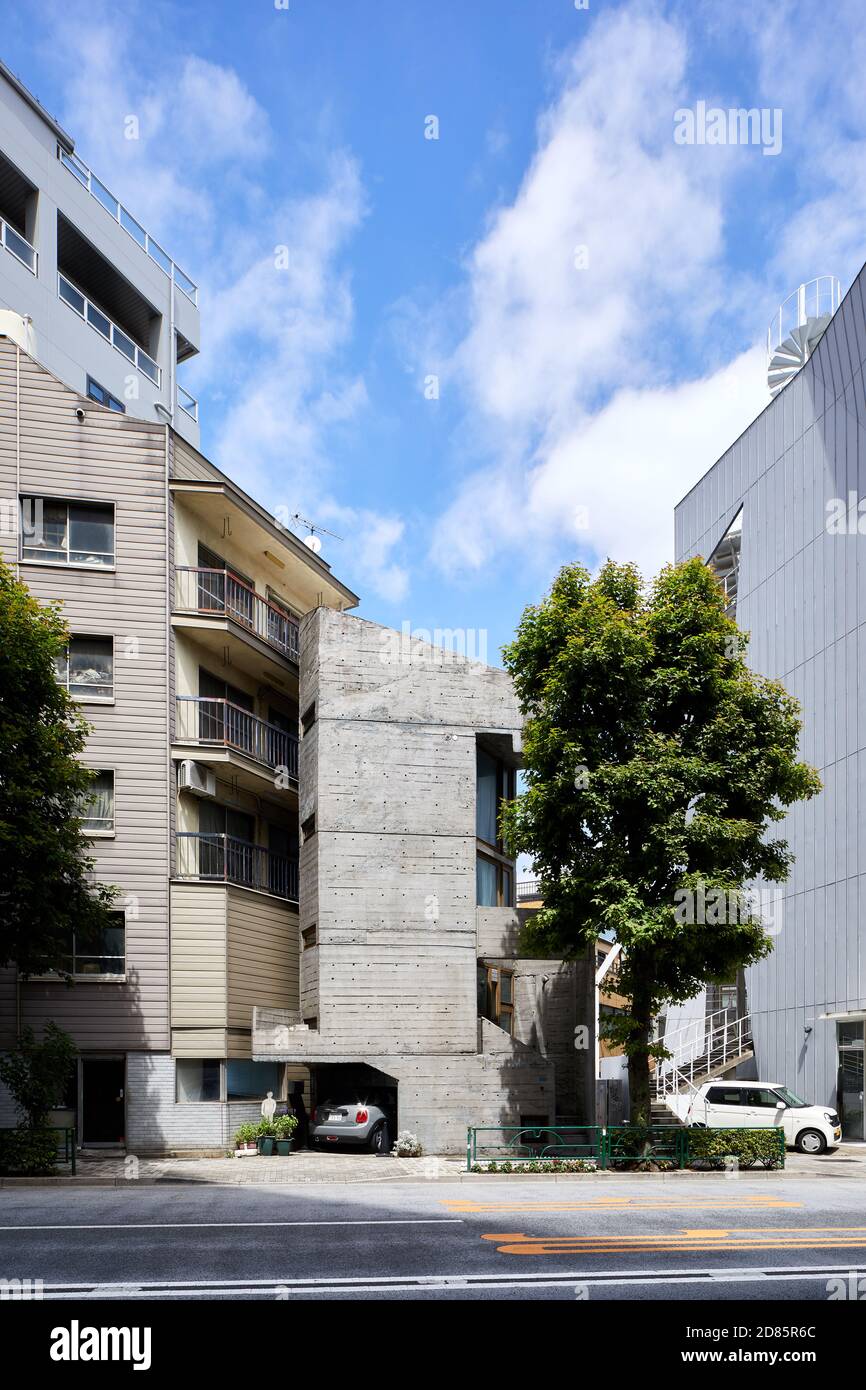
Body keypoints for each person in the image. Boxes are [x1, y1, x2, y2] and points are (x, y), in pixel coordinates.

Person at [290, 1081, 309, 1149]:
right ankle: (303, 1144)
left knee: (301, 1130)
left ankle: (303, 1144)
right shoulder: (296, 1097)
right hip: (299, 1116)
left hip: (300, 1116)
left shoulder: (294, 1096)